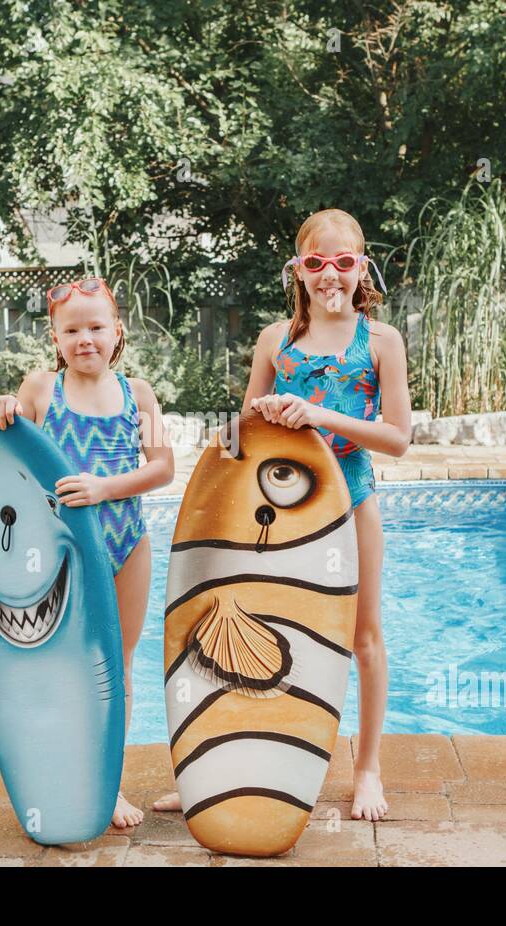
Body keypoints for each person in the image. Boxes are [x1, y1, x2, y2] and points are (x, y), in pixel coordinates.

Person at [154, 208, 412, 821]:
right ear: (297, 270)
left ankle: (367, 770)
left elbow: (398, 437)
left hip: (350, 501)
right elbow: (246, 434)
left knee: (363, 637)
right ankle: (217, 772)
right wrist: (215, 439)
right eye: (316, 263)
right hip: (277, 513)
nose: (330, 275)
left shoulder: (381, 341)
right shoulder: (276, 341)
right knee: (255, 633)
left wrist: (318, 415)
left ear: (361, 268)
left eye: (343, 262)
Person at [0, 276, 175, 829]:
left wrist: (103, 489)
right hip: (61, 555)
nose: (84, 338)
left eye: (96, 327)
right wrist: (2, 405)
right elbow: (6, 442)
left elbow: (162, 468)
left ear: (118, 332)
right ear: (54, 336)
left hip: (126, 545)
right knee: (65, 667)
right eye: (72, 330)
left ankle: (106, 785)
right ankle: (59, 774)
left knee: (117, 667)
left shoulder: (138, 394)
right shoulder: (43, 389)